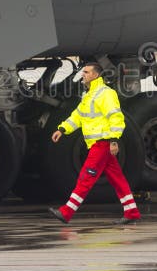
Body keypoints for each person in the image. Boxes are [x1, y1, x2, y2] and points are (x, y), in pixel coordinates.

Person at [48, 62, 142, 225]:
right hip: (97, 144)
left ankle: (66, 212)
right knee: (118, 179)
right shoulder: (89, 95)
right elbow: (77, 116)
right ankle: (131, 212)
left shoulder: (106, 94)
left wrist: (114, 140)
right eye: (83, 72)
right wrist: (62, 129)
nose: (83, 74)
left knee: (85, 178)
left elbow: (116, 117)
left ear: (95, 75)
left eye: (86, 72)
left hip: (102, 144)